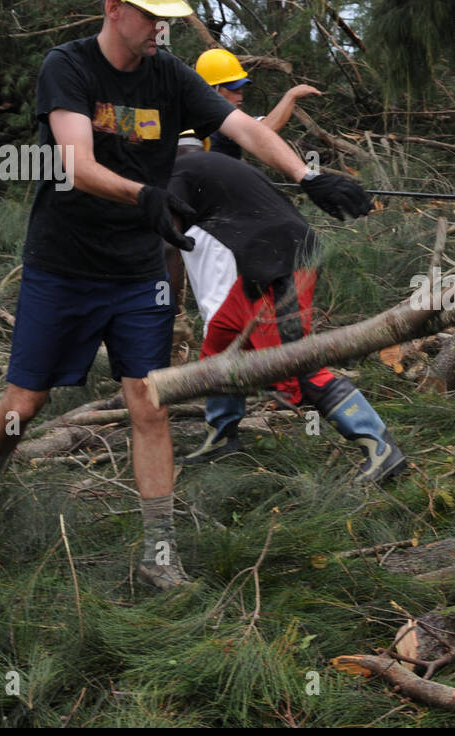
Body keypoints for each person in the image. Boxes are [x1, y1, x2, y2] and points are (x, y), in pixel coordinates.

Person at [0, 0, 373, 592]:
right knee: (24, 403)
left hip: (135, 272)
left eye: (166, 16)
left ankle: (158, 555)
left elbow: (243, 128)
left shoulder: (171, 75)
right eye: (150, 15)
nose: (159, 27)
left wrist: (307, 174)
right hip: (63, 265)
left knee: (147, 404)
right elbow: (74, 163)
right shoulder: (67, 69)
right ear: (113, 6)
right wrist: (144, 193)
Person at [167, 136, 408, 483]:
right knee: (220, 344)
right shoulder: (211, 163)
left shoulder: (174, 176)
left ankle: (380, 447)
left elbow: (167, 246)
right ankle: (222, 436)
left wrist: (168, 310)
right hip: (262, 262)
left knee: (295, 364)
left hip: (280, 265)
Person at [193, 48, 323, 159]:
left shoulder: (208, 115)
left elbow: (260, 125)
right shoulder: (213, 121)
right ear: (212, 90)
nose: (240, 95)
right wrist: (291, 95)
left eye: (241, 88)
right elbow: (265, 131)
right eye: (233, 88)